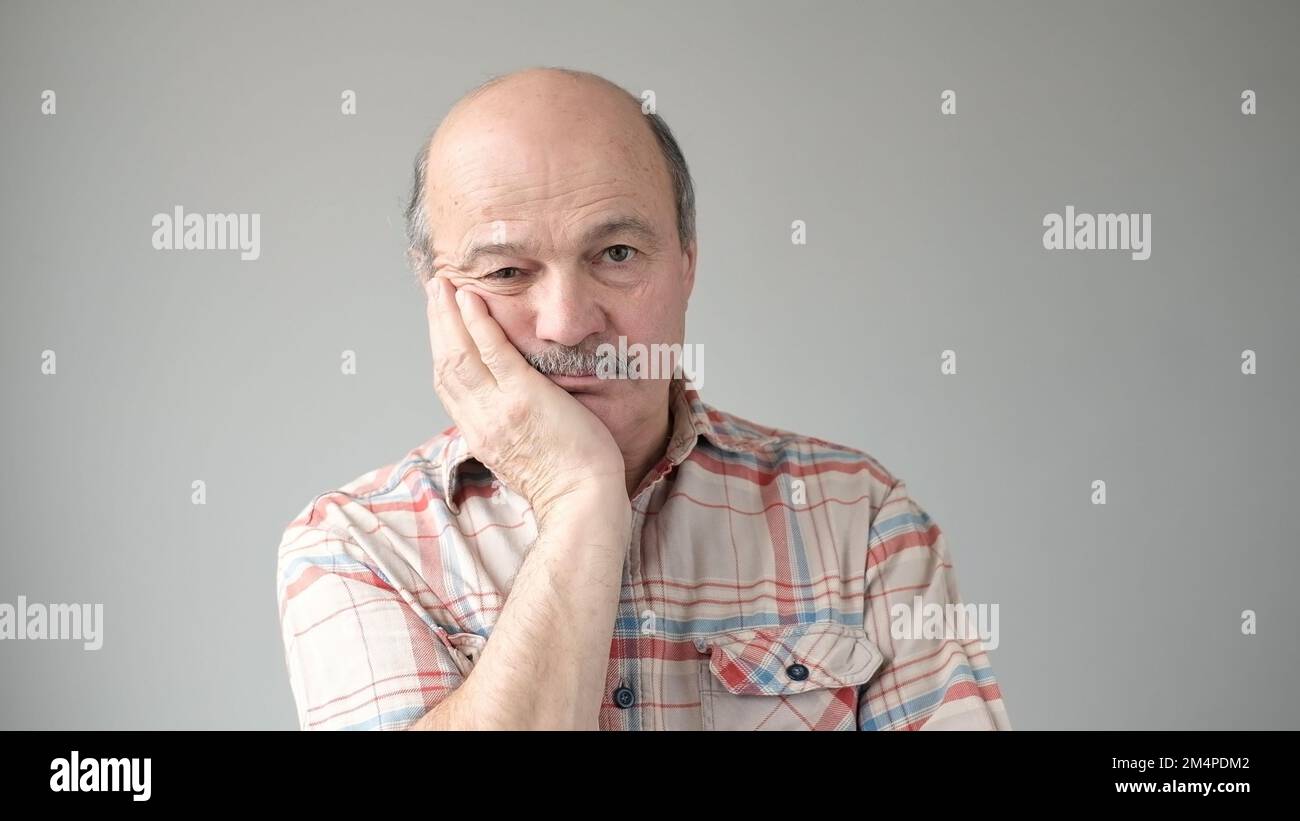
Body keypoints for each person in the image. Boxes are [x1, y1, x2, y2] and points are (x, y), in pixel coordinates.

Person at [275, 67, 1010, 731]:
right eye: (505, 271)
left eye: (616, 254)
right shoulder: (354, 548)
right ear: (434, 293)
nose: (567, 321)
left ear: (686, 263)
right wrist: (578, 496)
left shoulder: (863, 521)